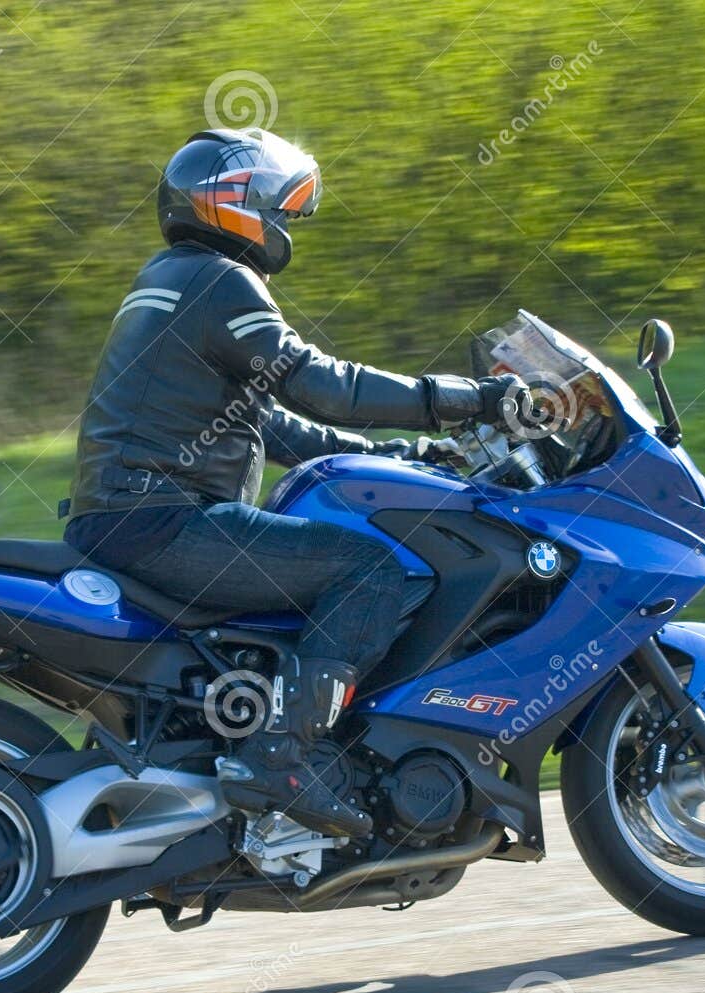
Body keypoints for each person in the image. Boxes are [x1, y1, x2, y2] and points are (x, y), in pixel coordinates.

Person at [64, 127, 527, 837]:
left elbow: (277, 427)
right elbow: (321, 385)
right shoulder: (219, 279)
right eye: (280, 206)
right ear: (236, 202)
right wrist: (470, 397)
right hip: (165, 519)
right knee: (371, 569)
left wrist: (406, 452)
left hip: (130, 515)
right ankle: (281, 758)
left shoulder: (172, 276)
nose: (286, 223)